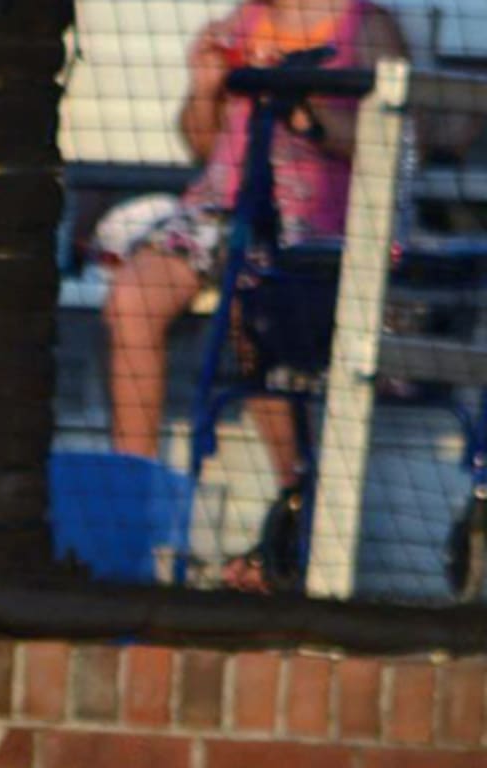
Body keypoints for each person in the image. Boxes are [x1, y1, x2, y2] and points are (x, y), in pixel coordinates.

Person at [99, 0, 407, 591]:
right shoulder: (237, 25)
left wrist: (303, 108)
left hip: (317, 221)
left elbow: (388, 142)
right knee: (131, 299)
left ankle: (295, 513)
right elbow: (201, 145)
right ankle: (128, 508)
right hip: (220, 212)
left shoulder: (365, 29)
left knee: (257, 294)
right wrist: (206, 91)